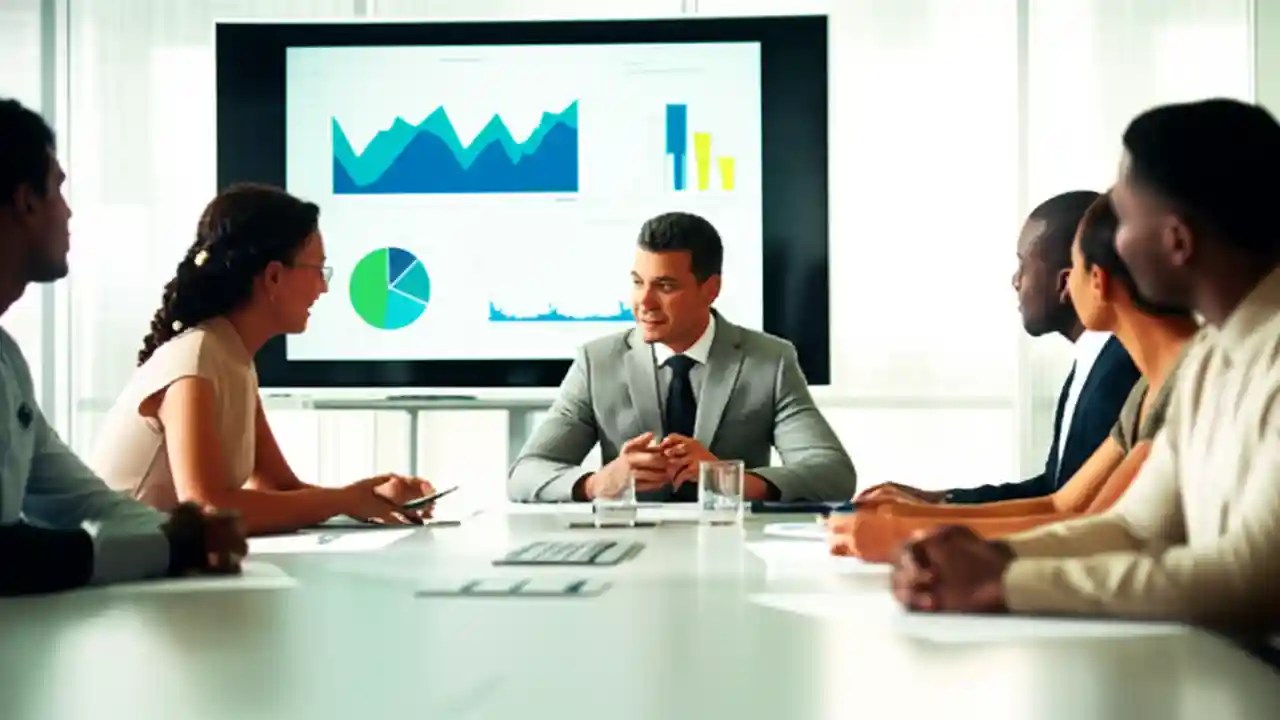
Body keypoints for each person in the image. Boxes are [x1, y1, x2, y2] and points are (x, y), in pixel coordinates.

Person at [890, 98, 1280, 633]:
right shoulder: (1209, 358)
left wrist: (1003, 583)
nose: (1110, 246)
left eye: (1124, 219)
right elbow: (1134, 528)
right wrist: (992, 557)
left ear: (1177, 241)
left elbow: (1252, 578)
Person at [828, 193, 1198, 561]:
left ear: (1096, 280)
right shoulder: (1143, 390)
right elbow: (1061, 503)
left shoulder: (1177, 382)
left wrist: (908, 531)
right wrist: (913, 515)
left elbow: (1094, 525)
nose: (1017, 280)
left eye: (1076, 266)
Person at [0, 97, 246, 595]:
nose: (68, 212)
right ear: (26, 202)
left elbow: (78, 500)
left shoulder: (8, 359)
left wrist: (186, 534)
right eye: (58, 189)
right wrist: (168, 548)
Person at [90, 183, 436, 536]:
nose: (323, 287)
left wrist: (370, 497)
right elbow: (208, 508)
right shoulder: (196, 358)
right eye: (318, 270)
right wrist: (345, 499)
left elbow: (278, 488)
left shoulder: (232, 357)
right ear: (273, 277)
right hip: (121, 566)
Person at [508, 211, 856, 502]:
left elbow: (833, 473)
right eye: (638, 282)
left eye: (665, 286)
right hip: (629, 550)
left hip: (731, 549)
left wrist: (727, 479)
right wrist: (597, 484)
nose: (644, 303)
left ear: (711, 289)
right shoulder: (596, 362)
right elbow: (525, 473)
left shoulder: (769, 361)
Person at [857, 191, 1139, 505]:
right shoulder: (1091, 362)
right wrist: (938, 500)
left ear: (1065, 283)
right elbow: (1054, 489)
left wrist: (932, 513)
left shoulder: (1119, 371)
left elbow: (1075, 510)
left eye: (1023, 265)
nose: (1015, 281)